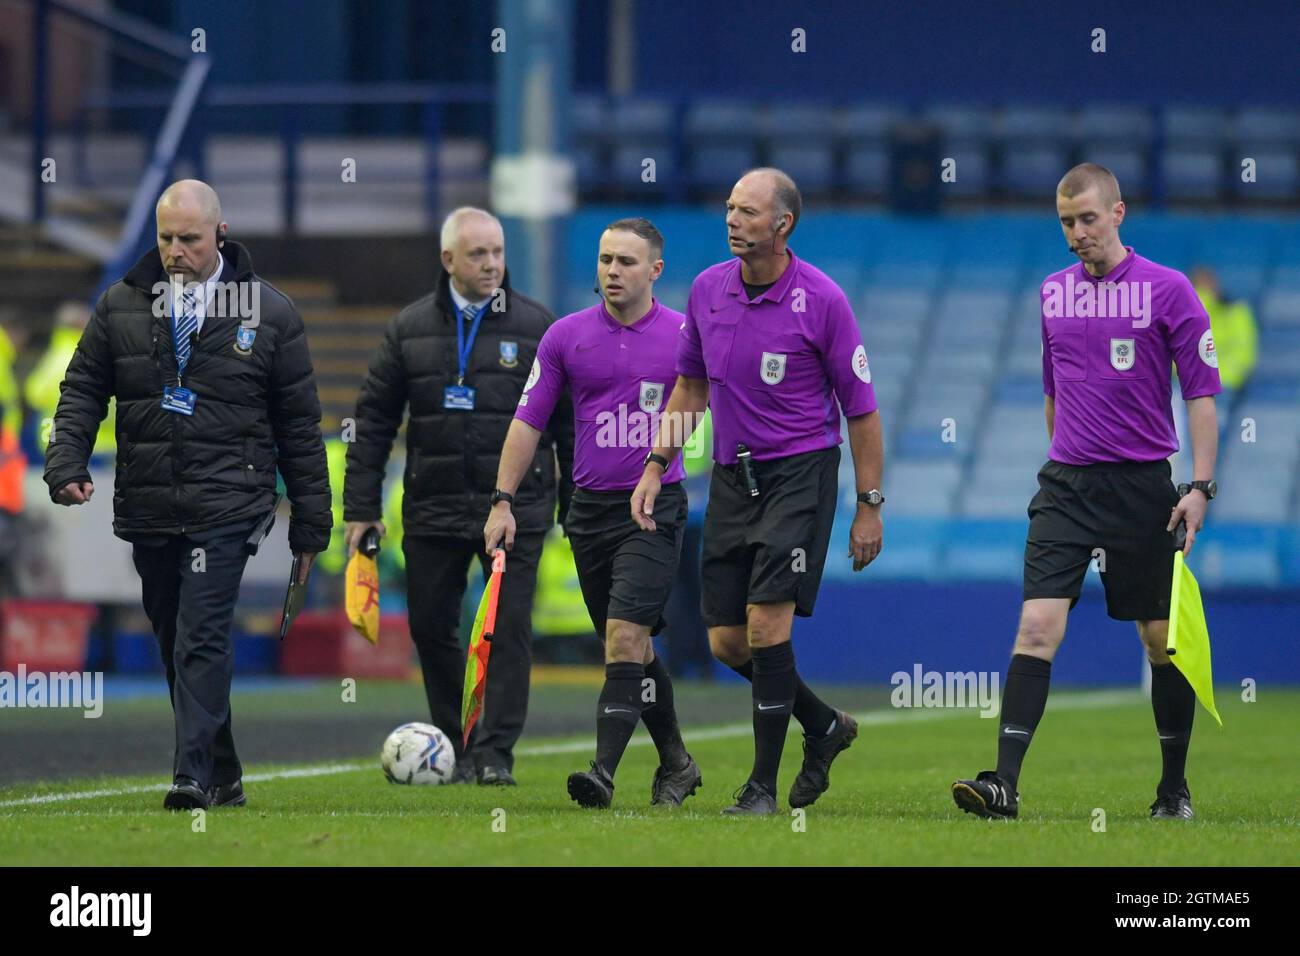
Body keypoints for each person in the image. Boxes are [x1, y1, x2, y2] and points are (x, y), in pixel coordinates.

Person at [43, 179, 332, 811]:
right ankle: (224, 772)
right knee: (175, 635)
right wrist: (65, 460)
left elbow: (299, 427)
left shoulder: (269, 313)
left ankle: (191, 776)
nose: (176, 251)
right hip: (150, 503)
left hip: (231, 502)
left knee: (202, 633)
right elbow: (82, 389)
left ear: (220, 235)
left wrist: (313, 522)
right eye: (166, 238)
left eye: (190, 239)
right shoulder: (121, 305)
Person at [951, 163, 1221, 822]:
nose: (1077, 234)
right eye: (1067, 222)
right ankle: (1003, 785)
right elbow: (1054, 390)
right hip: (1067, 485)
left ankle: (1173, 789)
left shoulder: (1169, 289)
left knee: (1159, 639)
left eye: (1088, 219)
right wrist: (1063, 457)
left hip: (1142, 486)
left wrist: (1201, 486)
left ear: (1119, 213)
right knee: (1037, 625)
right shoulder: (1051, 293)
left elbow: (1202, 393)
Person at [631, 168, 886, 815]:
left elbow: (861, 411)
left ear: (783, 225)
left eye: (747, 210)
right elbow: (690, 388)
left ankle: (762, 789)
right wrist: (657, 462)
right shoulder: (708, 291)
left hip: (800, 475)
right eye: (729, 208)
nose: (732, 219)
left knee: (769, 625)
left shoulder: (823, 301)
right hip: (730, 478)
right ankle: (824, 725)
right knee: (728, 643)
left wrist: (868, 506)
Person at [343, 207, 574, 785]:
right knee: (430, 626)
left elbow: (568, 422)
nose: (493, 263)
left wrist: (573, 504)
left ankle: (496, 753)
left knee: (509, 629)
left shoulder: (537, 327)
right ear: (448, 260)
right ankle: (457, 741)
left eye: (498, 251)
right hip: (434, 506)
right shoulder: (408, 329)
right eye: (479, 254)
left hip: (517, 510)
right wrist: (361, 510)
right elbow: (373, 422)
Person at [486, 217, 701, 809]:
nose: (612, 271)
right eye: (605, 260)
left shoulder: (686, 337)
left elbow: (702, 407)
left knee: (624, 637)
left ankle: (601, 772)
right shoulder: (564, 337)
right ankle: (678, 764)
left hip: (654, 508)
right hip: (587, 512)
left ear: (655, 270)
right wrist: (502, 500)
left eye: (626, 262)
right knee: (634, 646)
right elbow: (528, 420)